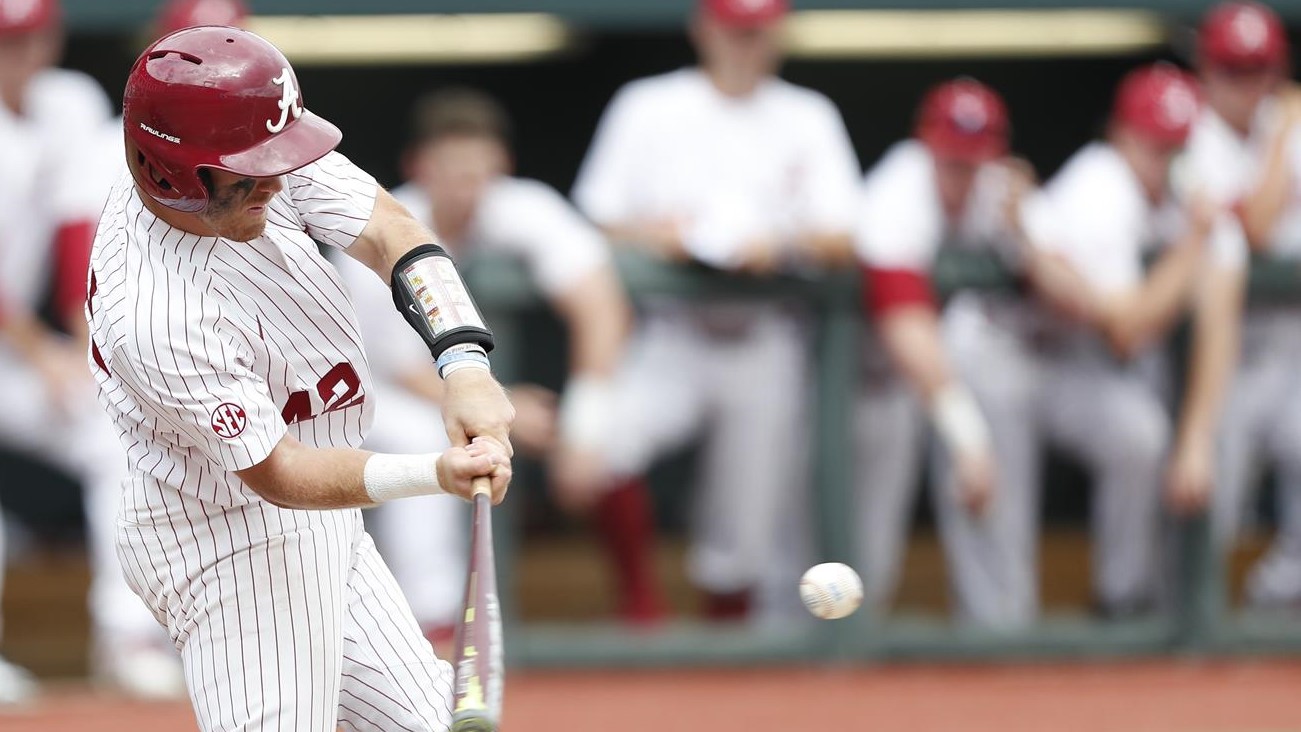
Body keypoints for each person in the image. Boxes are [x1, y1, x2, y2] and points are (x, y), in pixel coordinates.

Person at [87, 27, 514, 730]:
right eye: (253, 171)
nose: (280, 181)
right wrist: (436, 471)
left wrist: (463, 361)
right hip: (225, 539)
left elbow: (391, 231)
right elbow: (278, 474)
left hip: (321, 515)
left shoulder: (242, 145)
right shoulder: (154, 310)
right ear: (167, 171)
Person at [571, 0, 860, 622]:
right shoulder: (648, 106)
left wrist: (779, 246)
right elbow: (595, 218)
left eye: (757, 31)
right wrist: (660, 237)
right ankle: (641, 608)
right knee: (603, 445)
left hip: (764, 337)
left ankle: (721, 676)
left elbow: (844, 238)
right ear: (704, 29)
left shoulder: (807, 116)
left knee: (743, 539)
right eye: (734, 30)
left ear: (777, 33)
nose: (745, 44)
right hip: (671, 333)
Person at [333, 88, 630, 636]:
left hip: (469, 387)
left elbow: (600, 304)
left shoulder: (524, 206)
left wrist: (585, 420)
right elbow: (395, 365)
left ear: (500, 166)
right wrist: (504, 408)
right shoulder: (381, 224)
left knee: (617, 426)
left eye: (479, 170)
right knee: (426, 440)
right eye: (452, 170)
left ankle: (642, 611)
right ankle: (435, 620)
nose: (468, 185)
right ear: (420, 167)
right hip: (363, 390)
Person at [0, 0, 118, 702]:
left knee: (114, 430)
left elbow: (81, 219)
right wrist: (41, 351)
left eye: (25, 39)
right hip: (22, 346)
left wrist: (81, 346)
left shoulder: (70, 103)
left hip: (19, 356)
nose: (16, 53)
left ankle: (125, 635)